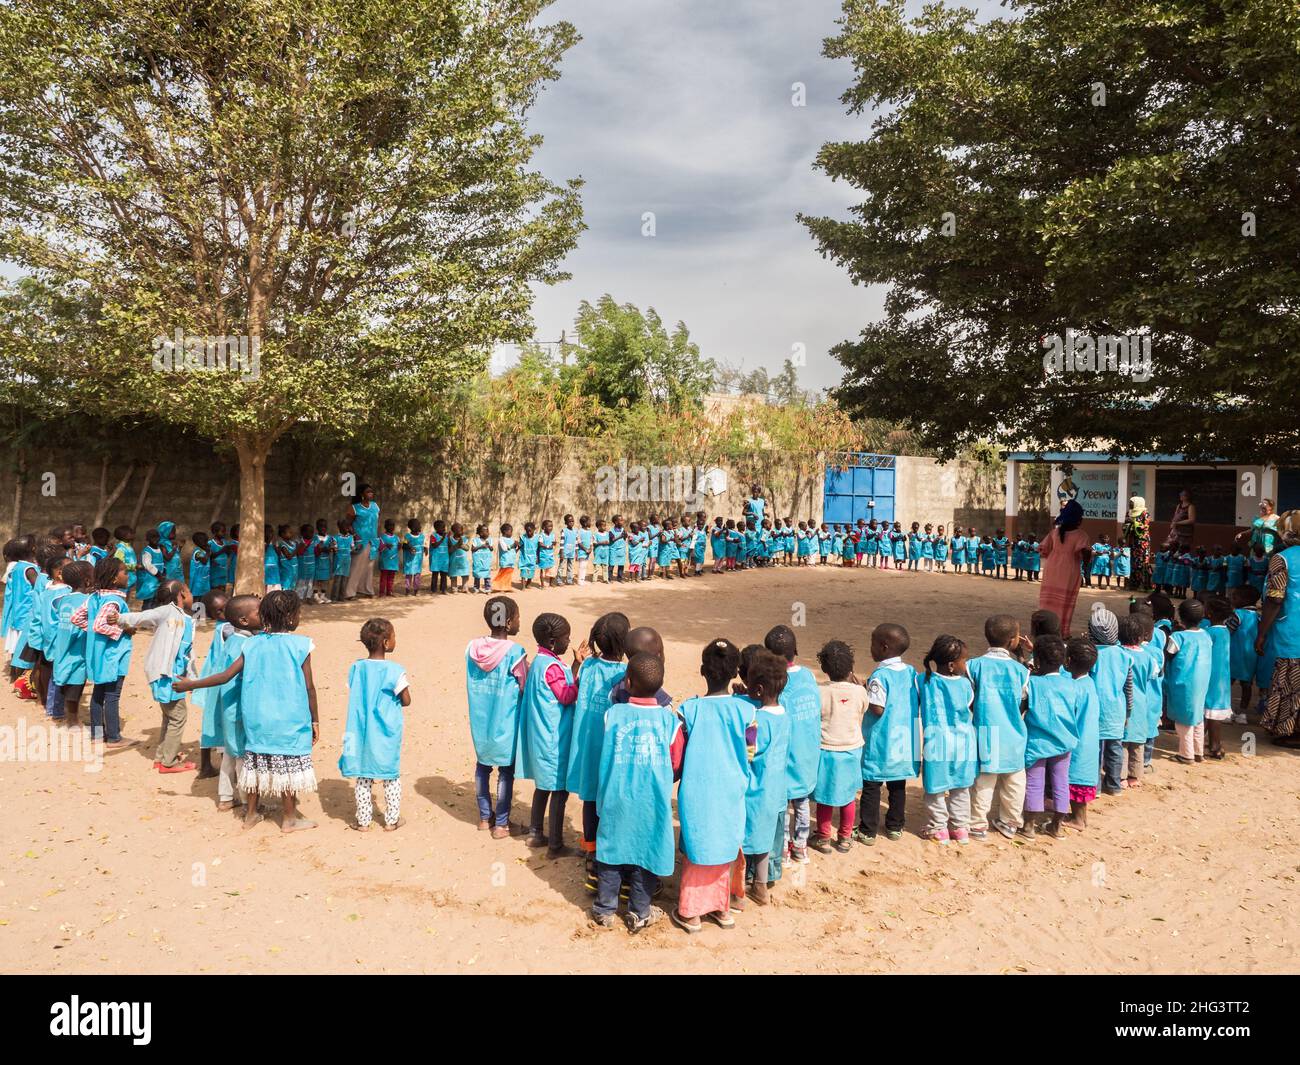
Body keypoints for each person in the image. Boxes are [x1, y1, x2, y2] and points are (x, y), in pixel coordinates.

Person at [175, 591, 321, 832]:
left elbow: (224, 676)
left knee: (253, 763)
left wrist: (190, 684)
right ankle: (289, 818)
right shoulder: (301, 644)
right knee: (287, 762)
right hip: (289, 718)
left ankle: (251, 814)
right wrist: (315, 720)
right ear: (290, 618)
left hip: (256, 717)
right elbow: (309, 687)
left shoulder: (251, 644)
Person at [591, 652, 681, 934]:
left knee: (611, 850)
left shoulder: (613, 714)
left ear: (628, 682)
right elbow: (676, 762)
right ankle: (639, 912)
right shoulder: (669, 722)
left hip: (616, 794)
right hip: (651, 800)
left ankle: (605, 909)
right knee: (646, 854)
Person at [672, 639, 755, 934]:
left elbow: (677, 755)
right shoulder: (745, 711)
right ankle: (722, 907)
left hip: (697, 790)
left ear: (702, 671)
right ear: (735, 672)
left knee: (697, 845)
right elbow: (750, 751)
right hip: (732, 789)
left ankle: (691, 912)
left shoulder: (689, 710)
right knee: (725, 843)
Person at [516, 612, 586, 856]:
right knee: (559, 791)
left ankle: (536, 833)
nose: (570, 642)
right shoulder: (553, 668)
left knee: (542, 786)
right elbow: (566, 696)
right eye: (566, 638)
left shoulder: (539, 662)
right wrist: (582, 678)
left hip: (541, 736)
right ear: (554, 642)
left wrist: (576, 663)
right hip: (554, 739)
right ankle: (555, 844)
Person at [565, 613, 630, 878]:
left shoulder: (589, 666)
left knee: (590, 799)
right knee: (609, 799)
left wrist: (576, 664)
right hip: (611, 747)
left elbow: (575, 687)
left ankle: (591, 849)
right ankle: (605, 850)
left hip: (587, 744)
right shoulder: (625, 673)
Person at [118, 580, 198, 774]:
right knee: (178, 717)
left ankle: (163, 756)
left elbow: (187, 653)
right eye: (188, 590)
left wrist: (193, 678)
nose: (191, 594)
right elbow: (143, 616)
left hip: (176, 675)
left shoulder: (185, 619)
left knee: (170, 716)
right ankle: (168, 762)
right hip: (166, 675)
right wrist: (119, 618)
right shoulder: (168, 612)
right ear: (182, 594)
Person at [339, 618, 411, 831]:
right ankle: (391, 820)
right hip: (386, 731)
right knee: (390, 775)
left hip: (360, 730)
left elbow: (354, 691)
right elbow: (406, 700)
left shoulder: (356, 668)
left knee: (363, 775)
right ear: (386, 643)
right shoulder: (395, 670)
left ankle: (363, 821)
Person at [466, 596, 528, 839]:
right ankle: (501, 824)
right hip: (506, 722)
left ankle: (484, 817)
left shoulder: (472, 648)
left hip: (480, 720)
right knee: (506, 771)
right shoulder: (515, 652)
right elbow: (524, 684)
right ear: (509, 621)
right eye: (519, 617)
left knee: (482, 767)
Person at [967, 614, 1031, 839]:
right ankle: (1010, 822)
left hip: (984, 732)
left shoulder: (973, 666)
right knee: (1015, 780)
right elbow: (1024, 700)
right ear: (1013, 641)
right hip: (1013, 733)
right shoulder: (1021, 671)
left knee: (984, 780)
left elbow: (969, 699)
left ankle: (977, 824)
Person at [856, 623, 919, 844]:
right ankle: (895, 827)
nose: (870, 648)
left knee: (871, 785)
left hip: (880, 741)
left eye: (872, 643)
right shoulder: (912, 672)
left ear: (883, 647)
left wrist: (864, 691)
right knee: (897, 785)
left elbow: (877, 708)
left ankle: (867, 830)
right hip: (903, 740)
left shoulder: (879, 676)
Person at [765, 625, 821, 868]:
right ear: (796, 650)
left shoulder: (778, 682)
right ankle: (801, 847)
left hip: (787, 755)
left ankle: (785, 850)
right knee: (802, 804)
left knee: (784, 807)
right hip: (808, 754)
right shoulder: (808, 675)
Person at [739, 646, 790, 906]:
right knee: (765, 838)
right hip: (777, 790)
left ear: (757, 690)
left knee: (747, 837)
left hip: (755, 790)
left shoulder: (757, 721)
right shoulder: (785, 715)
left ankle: (741, 884)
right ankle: (761, 885)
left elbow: (749, 753)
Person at [1018, 635, 1078, 839]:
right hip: (1064, 742)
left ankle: (1028, 826)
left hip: (1037, 744)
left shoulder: (1032, 684)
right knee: (1061, 782)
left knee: (1035, 782)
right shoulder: (1072, 685)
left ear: (1038, 662)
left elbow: (1021, 708)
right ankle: (1057, 826)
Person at [918, 634, 976, 845]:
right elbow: (970, 707)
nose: (966, 664)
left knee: (935, 788)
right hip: (964, 745)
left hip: (936, 745)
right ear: (952, 665)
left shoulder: (923, 681)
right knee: (961, 787)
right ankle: (960, 829)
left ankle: (938, 828)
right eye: (964, 660)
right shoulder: (965, 685)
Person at [810, 639, 867, 852]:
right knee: (849, 796)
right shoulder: (859, 692)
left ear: (823, 668)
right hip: (852, 748)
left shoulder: (819, 691)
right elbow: (864, 707)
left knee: (824, 797)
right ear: (851, 666)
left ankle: (823, 836)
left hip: (826, 748)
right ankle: (844, 837)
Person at [1258, 530, 1300, 747]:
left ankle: (1291, 731)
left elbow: (1275, 599)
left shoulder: (1282, 559)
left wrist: (1262, 633)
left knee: (1291, 683)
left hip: (1293, 632)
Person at [1088, 603, 1132, 795]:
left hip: (1093, 712)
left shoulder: (1090, 654)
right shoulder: (1124, 656)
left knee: (1094, 752)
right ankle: (1114, 786)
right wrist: (1128, 712)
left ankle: (1095, 787)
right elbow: (1128, 688)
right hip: (1116, 712)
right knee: (1115, 750)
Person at [1165, 598, 1212, 764]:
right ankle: (1199, 752)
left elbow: (1168, 655)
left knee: (1183, 721)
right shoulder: (1206, 635)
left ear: (1181, 618)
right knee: (1197, 717)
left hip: (1183, 683)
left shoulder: (1178, 637)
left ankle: (1186, 755)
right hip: (1202, 682)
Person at [1038, 498, 1093, 635]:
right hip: (1069, 570)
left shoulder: (1055, 532)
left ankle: (1044, 629)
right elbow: (1085, 556)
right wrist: (1087, 557)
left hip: (1051, 568)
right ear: (1078, 519)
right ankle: (1062, 631)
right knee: (1065, 602)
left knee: (1048, 600)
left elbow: (1044, 550)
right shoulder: (1081, 535)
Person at [1064, 638, 1100, 829]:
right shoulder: (1090, 683)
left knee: (1076, 780)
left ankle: (1078, 819)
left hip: (1079, 743)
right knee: (1081, 782)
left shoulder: (1074, 688)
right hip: (1090, 741)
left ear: (1068, 661)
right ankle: (1079, 817)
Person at [1203, 597, 1233, 759]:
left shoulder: (1210, 632)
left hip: (1211, 677)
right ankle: (1208, 742)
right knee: (1211, 712)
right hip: (1222, 677)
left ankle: (1215, 745)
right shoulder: (1225, 630)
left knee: (1211, 712)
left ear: (1210, 613)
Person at [345, 485, 380, 599]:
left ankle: (366, 590)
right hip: (360, 541)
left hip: (372, 540)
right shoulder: (354, 508)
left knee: (369, 567)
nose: (371, 493)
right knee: (356, 566)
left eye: (372, 491)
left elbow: (376, 522)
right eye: (368, 492)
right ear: (362, 494)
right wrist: (354, 535)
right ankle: (349, 593)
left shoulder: (375, 506)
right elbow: (347, 524)